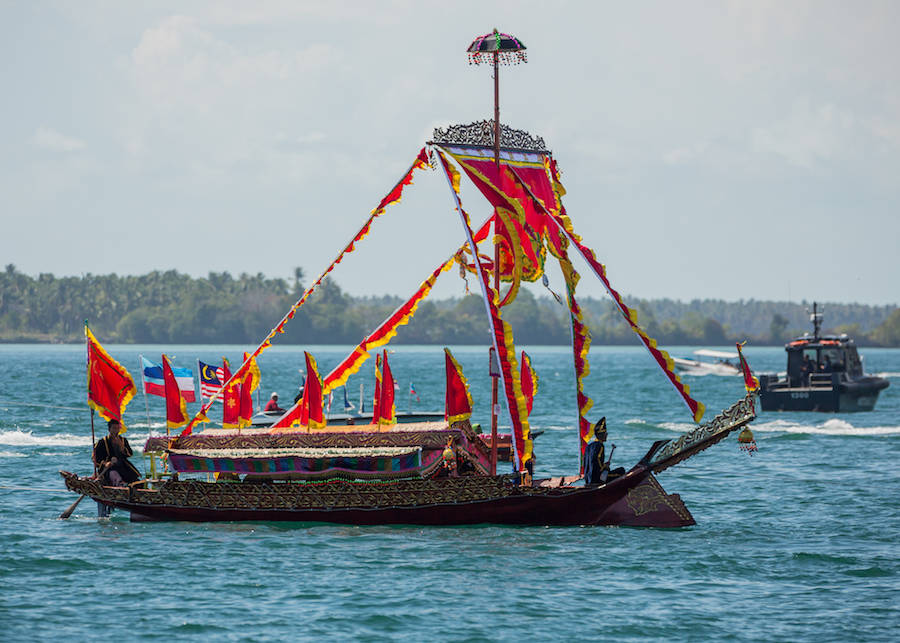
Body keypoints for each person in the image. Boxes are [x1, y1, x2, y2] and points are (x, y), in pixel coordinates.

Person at [92, 419, 141, 486]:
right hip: (108, 468)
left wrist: (121, 446)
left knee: (135, 480)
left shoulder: (123, 440)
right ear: (109, 429)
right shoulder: (102, 442)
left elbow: (129, 454)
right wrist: (105, 463)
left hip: (122, 465)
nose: (116, 431)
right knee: (113, 474)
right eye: (114, 428)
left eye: (118, 428)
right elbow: (94, 458)